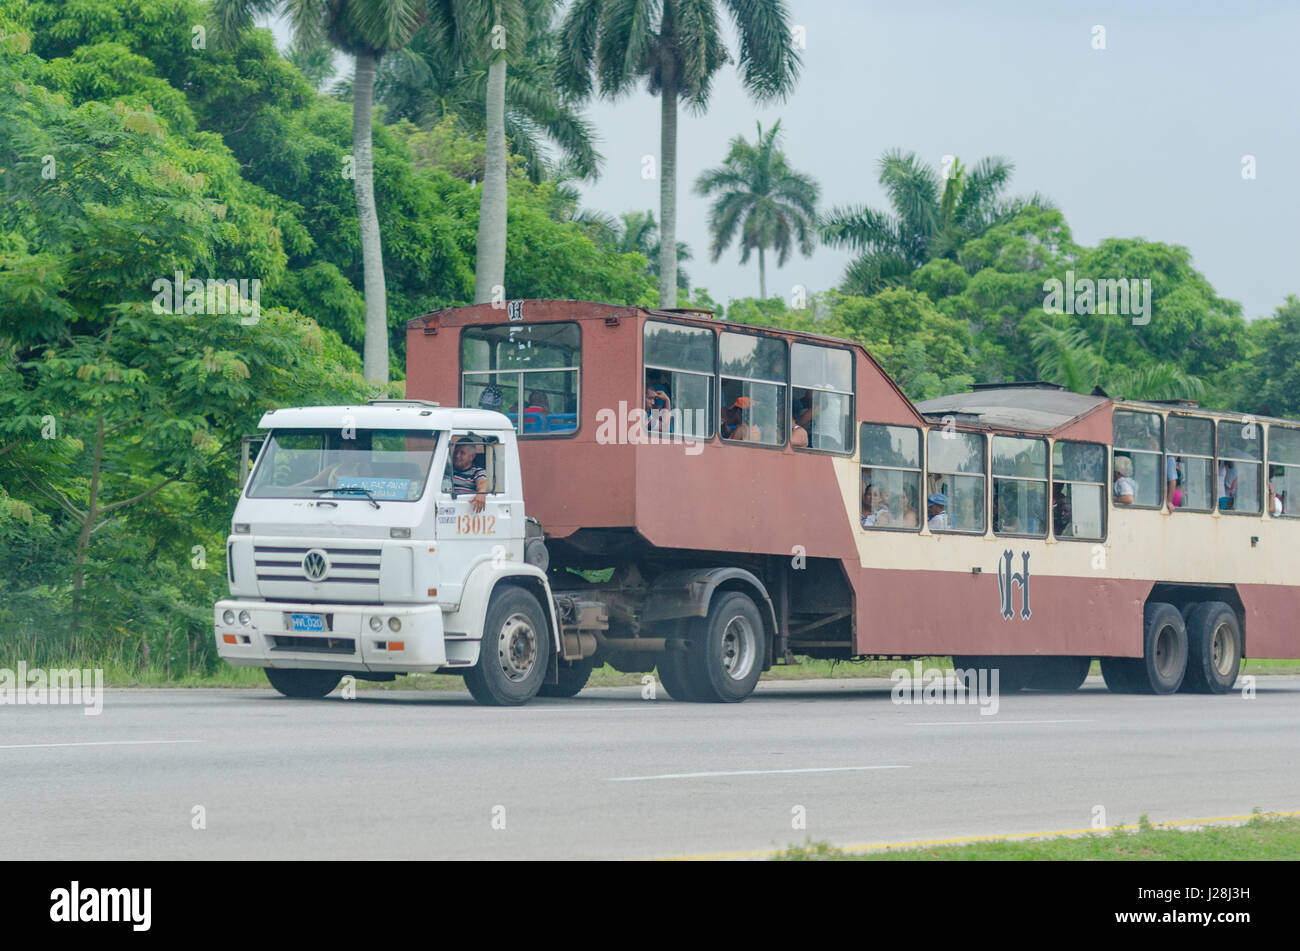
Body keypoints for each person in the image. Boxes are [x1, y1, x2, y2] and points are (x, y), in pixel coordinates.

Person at [450, 437, 488, 513]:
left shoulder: (477, 471)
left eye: (462, 453)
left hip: (466, 512)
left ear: (472, 457)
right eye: (456, 452)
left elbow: (482, 483)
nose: (457, 456)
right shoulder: (447, 470)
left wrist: (481, 493)